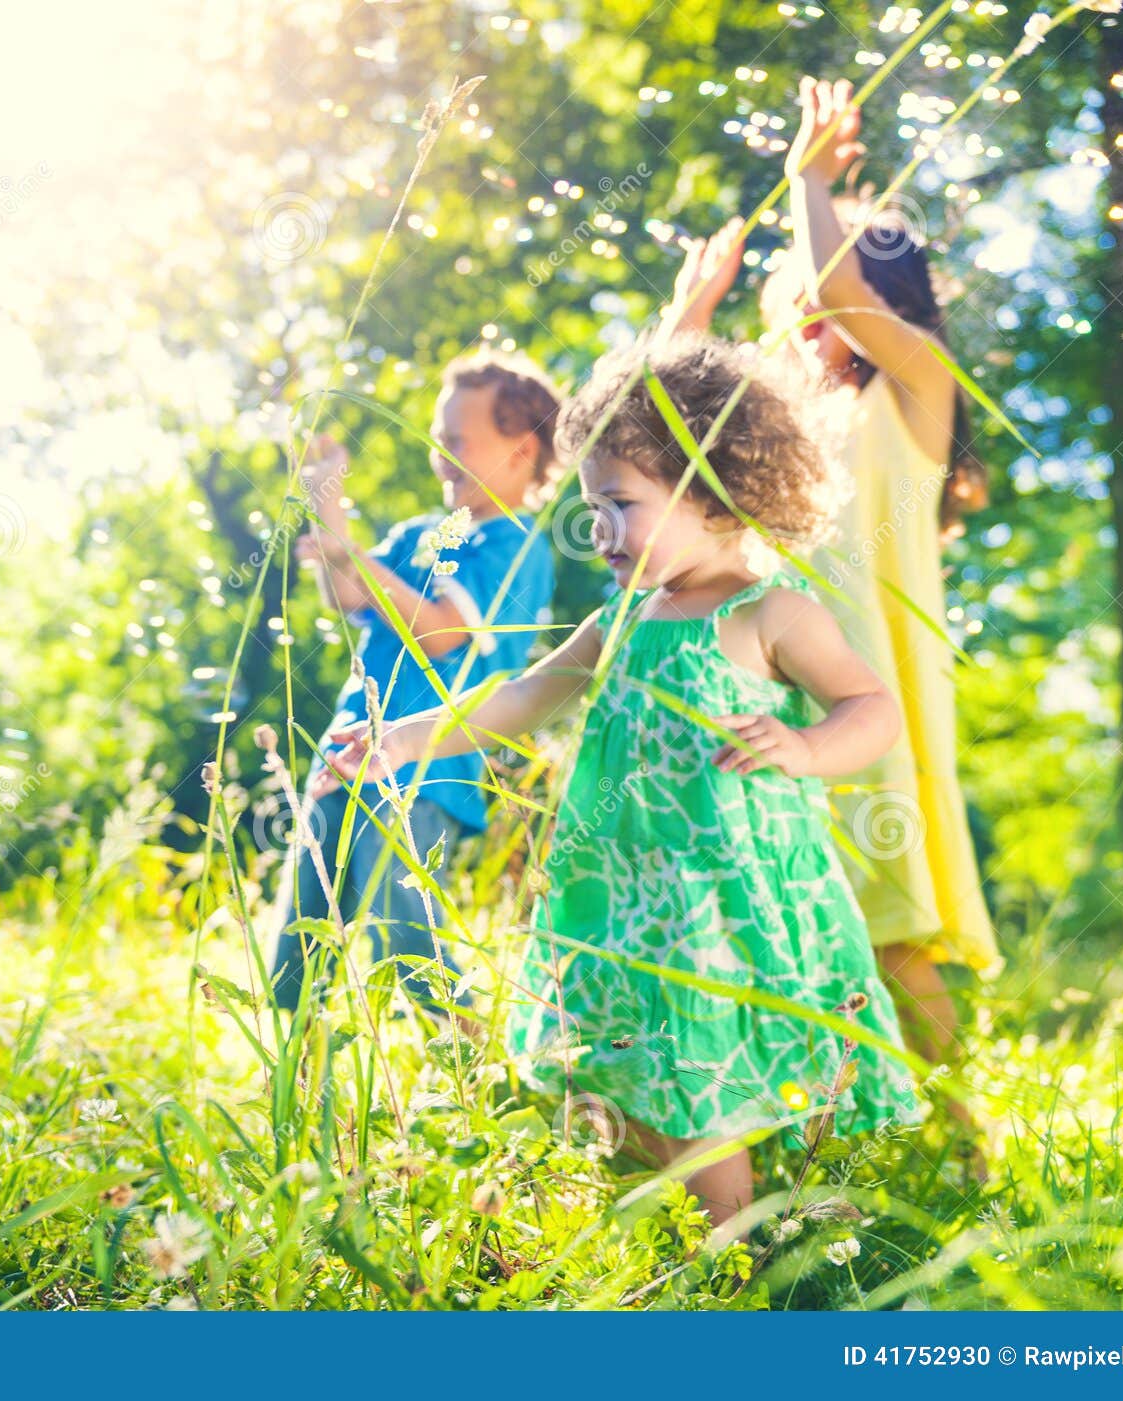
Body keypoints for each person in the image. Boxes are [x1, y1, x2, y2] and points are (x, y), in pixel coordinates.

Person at [322, 334, 924, 1227]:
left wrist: (805, 748)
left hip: (726, 900)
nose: (598, 529)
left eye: (619, 503)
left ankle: (741, 1258)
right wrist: (407, 737)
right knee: (644, 1072)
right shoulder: (622, 616)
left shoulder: (768, 612)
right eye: (594, 505)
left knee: (714, 1075)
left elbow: (871, 707)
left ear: (714, 492)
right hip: (625, 898)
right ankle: (700, 1232)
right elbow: (529, 695)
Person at [661, 77, 1003, 1093]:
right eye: (794, 318)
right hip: (771, 695)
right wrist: (693, 314)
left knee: (889, 929)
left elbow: (843, 293)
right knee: (778, 930)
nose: (811, 329)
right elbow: (655, 445)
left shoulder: (916, 394)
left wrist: (807, 182)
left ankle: (961, 1137)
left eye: (830, 308)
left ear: (888, 311)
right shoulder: (778, 442)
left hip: (869, 702)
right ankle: (833, 1134)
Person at [267, 349, 560, 1021]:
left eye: (456, 439)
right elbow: (347, 593)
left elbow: (441, 631)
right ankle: (290, 1049)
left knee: (405, 927)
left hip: (424, 767)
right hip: (348, 747)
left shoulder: (514, 544)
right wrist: (326, 502)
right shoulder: (420, 533)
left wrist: (356, 558)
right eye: (437, 437)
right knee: (304, 920)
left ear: (521, 450)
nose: (440, 453)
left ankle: (459, 1047)